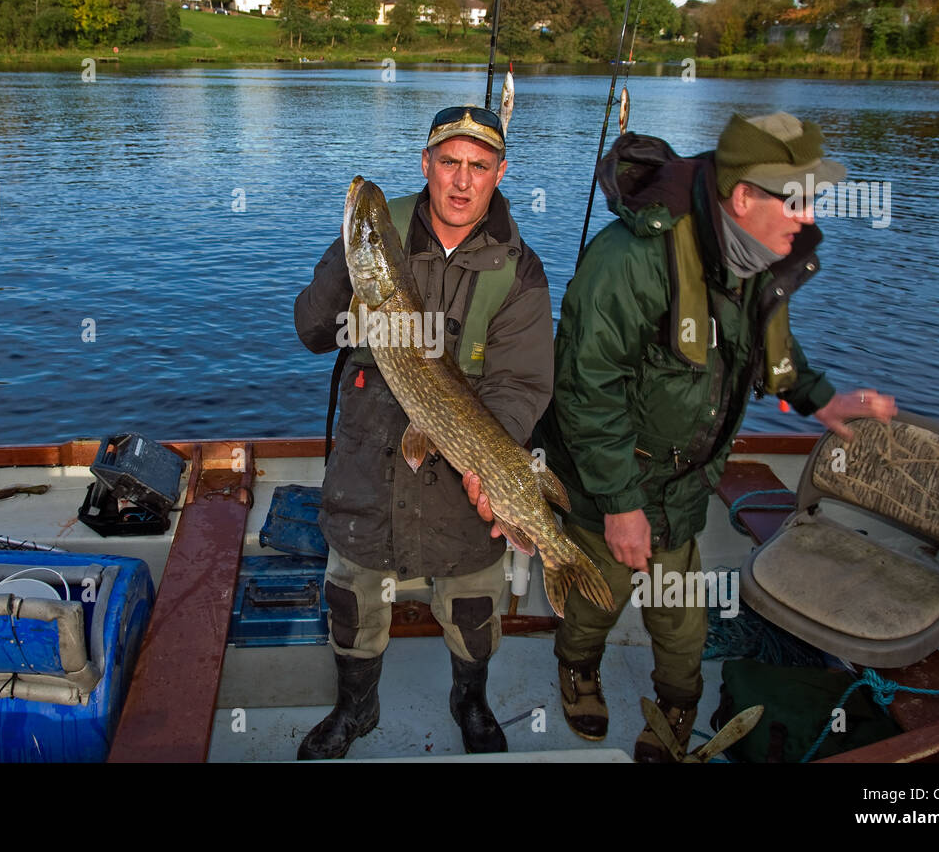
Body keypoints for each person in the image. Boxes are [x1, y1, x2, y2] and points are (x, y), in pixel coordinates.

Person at [534, 112, 898, 761]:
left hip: (681, 486)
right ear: (742, 198)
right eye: (797, 198)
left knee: (680, 616)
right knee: (598, 594)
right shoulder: (627, 262)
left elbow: (769, 350)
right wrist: (620, 505)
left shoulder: (758, 253)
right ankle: (578, 666)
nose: (809, 215)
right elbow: (585, 392)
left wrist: (820, 398)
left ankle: (675, 707)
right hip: (604, 481)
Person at [293, 106, 554, 759]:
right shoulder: (375, 241)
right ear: (426, 165)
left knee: (473, 605)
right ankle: (356, 708)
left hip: (457, 480)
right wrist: (346, 266)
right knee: (353, 601)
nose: (462, 183)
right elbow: (310, 330)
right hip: (367, 465)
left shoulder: (519, 271)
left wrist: (494, 469)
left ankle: (469, 698)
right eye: (449, 163)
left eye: (479, 166)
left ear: (499, 173)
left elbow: (519, 388)